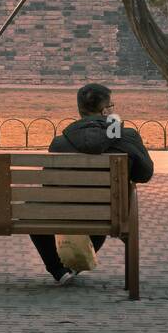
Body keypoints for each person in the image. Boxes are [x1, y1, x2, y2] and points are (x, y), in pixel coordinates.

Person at [31, 82, 154, 285]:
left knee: (32, 211)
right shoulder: (127, 137)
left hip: (62, 213)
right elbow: (144, 174)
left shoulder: (60, 143)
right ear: (106, 111)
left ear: (80, 110)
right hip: (110, 212)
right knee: (102, 213)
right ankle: (73, 267)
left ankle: (58, 270)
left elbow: (48, 184)